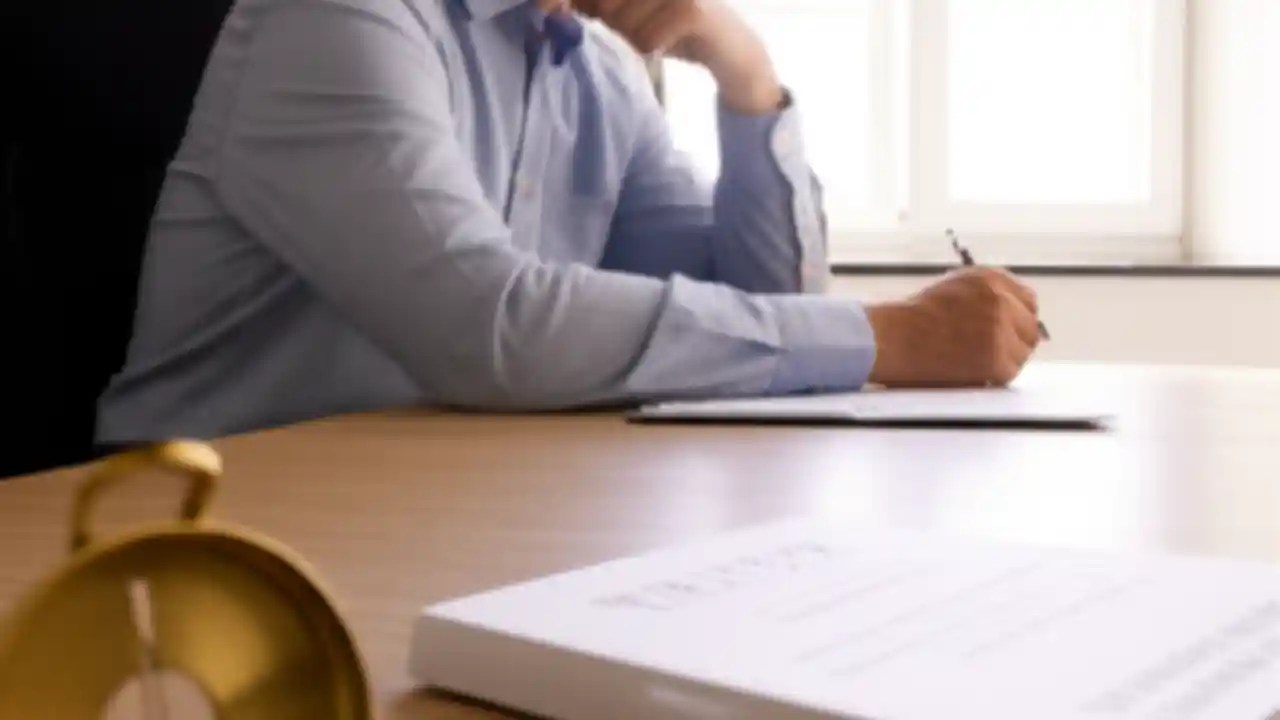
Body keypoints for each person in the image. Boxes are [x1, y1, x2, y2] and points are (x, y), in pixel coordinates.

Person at [96, 0, 1042, 443]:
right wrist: (888, 336)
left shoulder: (591, 69)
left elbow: (759, 311)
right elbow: (487, 326)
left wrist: (743, 70)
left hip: (436, 495)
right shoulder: (344, 19)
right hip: (196, 530)